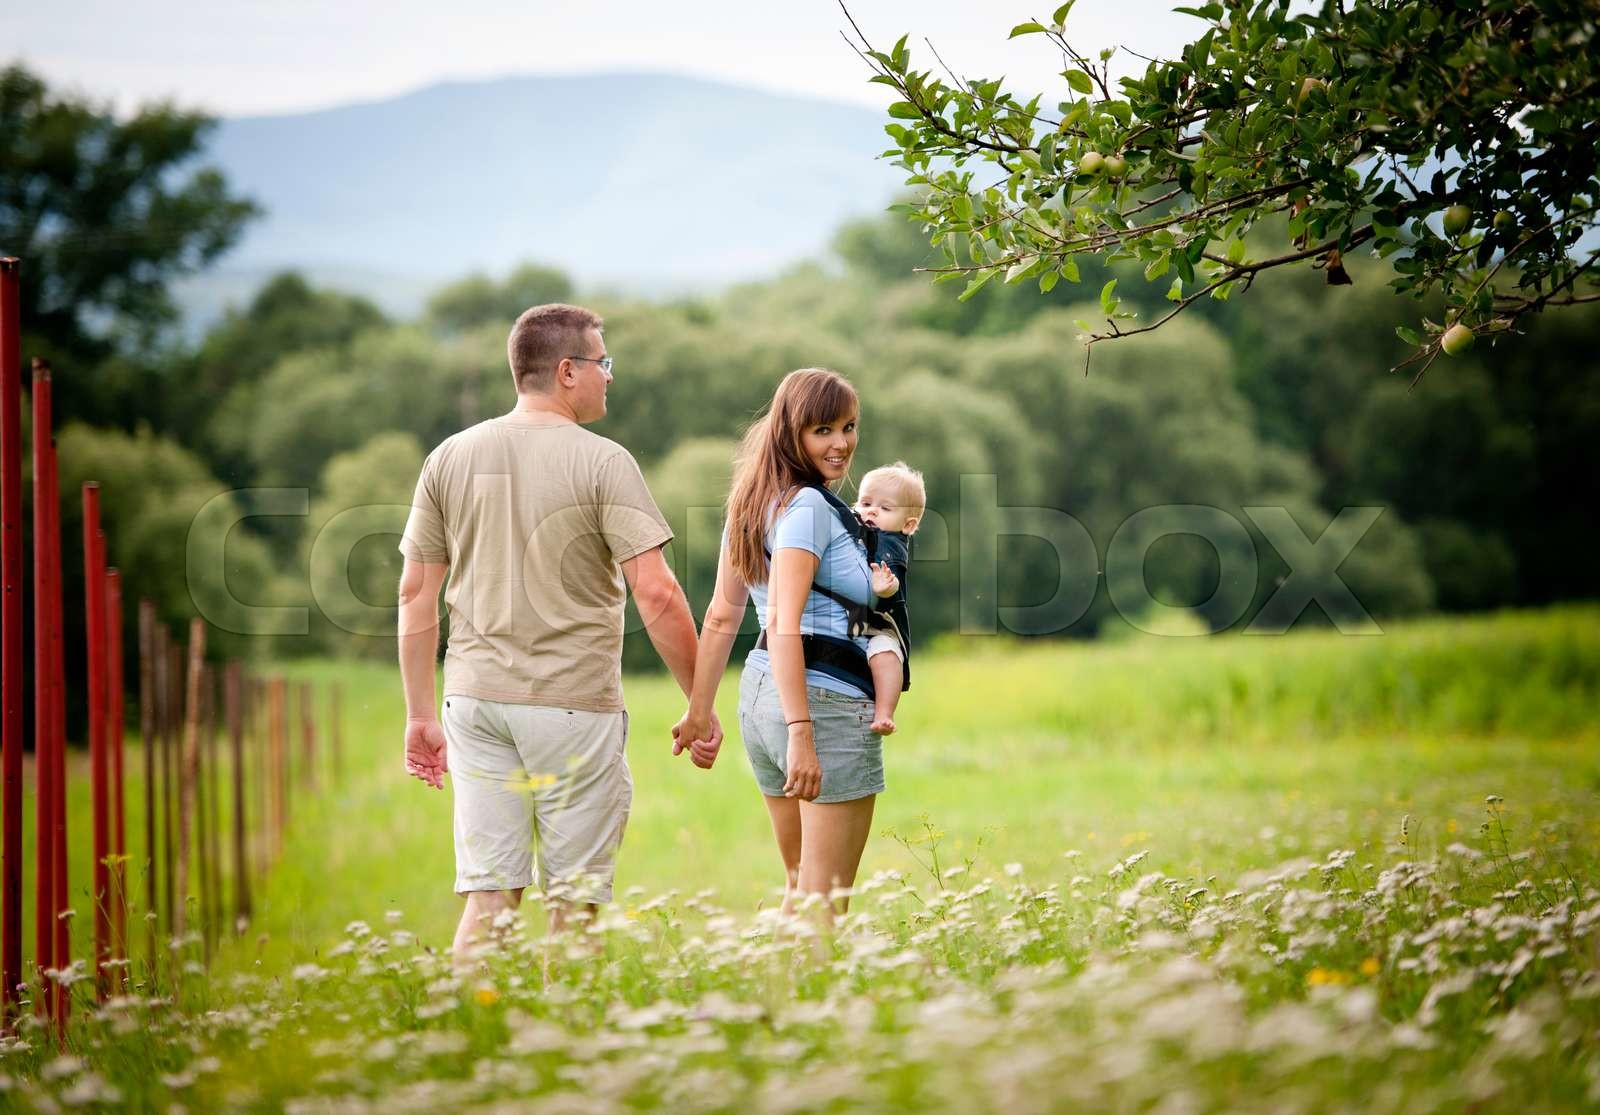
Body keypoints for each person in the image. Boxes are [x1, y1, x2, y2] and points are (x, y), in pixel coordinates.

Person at [397, 303, 722, 963]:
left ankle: (466, 1040)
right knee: (575, 906)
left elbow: (414, 593)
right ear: (568, 371)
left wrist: (419, 713)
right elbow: (655, 591)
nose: (610, 376)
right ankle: (568, 1050)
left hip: (475, 705)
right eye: (604, 363)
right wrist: (700, 704)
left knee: (489, 900)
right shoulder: (604, 462)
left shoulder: (448, 457)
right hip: (571, 708)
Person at [673, 367, 882, 915]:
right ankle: (809, 999)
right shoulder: (809, 507)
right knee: (824, 900)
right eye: (823, 430)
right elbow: (785, 620)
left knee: (799, 888)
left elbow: (722, 616)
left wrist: (699, 713)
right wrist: (802, 734)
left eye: (849, 426)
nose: (841, 443)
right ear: (792, 432)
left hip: (762, 694)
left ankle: (774, 996)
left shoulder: (751, 501)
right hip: (817, 704)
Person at [852, 461, 924, 736]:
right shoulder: (861, 527)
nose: (871, 510)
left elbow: (891, 577)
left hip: (884, 621)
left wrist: (885, 587)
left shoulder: (891, 541)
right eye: (865, 502)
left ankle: (884, 713)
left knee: (885, 653)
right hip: (858, 618)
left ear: (908, 524)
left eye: (885, 508)